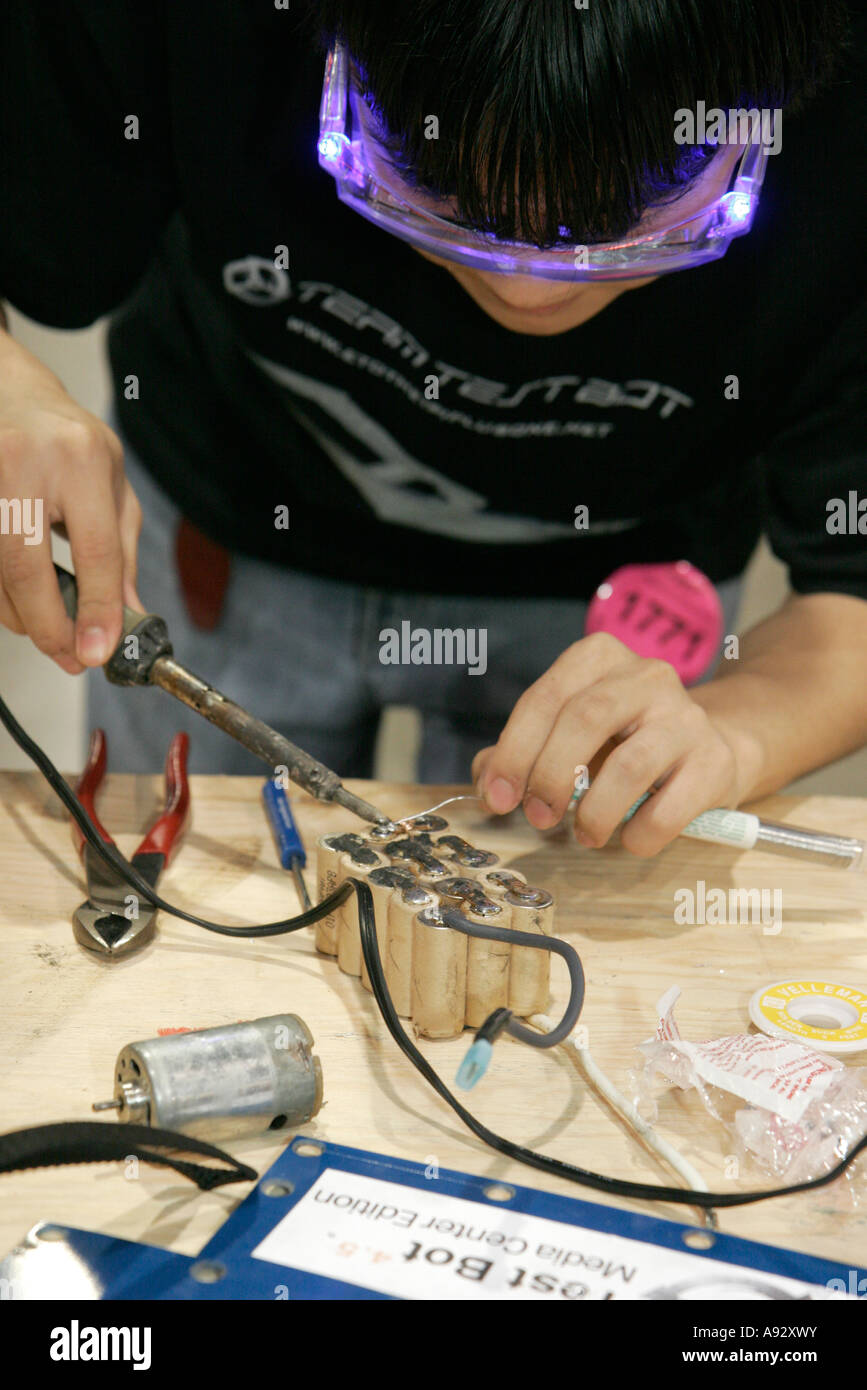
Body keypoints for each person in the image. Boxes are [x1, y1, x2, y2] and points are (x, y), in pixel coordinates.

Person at [0, 0, 864, 860]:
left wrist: (731, 733)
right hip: (233, 518)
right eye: (441, 179)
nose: (529, 291)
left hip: (619, 608)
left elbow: (850, 592)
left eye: (629, 206)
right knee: (177, 884)